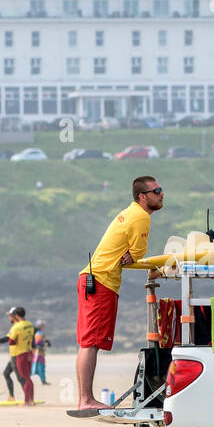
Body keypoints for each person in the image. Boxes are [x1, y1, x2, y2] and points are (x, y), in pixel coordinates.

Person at [75, 175, 163, 409]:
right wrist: (136, 257)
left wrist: (132, 256)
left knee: (89, 342)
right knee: (90, 343)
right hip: (101, 281)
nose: (162, 194)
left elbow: (131, 255)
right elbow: (136, 253)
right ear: (142, 197)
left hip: (96, 279)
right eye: (157, 191)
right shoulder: (141, 216)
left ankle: (86, 398)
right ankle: (86, 400)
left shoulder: (132, 212)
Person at [0, 307, 34, 404]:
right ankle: (13, 396)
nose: (9, 318)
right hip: (22, 353)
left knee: (22, 377)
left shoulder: (17, 327)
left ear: (15, 316)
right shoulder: (28, 325)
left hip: (17, 355)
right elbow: (31, 340)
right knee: (7, 373)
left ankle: (27, 399)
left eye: (10, 316)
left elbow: (9, 340)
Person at [33, 321, 50, 385]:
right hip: (38, 353)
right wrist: (45, 343)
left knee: (35, 367)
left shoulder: (37, 333)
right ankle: (43, 381)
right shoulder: (39, 333)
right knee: (40, 367)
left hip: (37, 353)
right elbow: (37, 342)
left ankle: (43, 380)